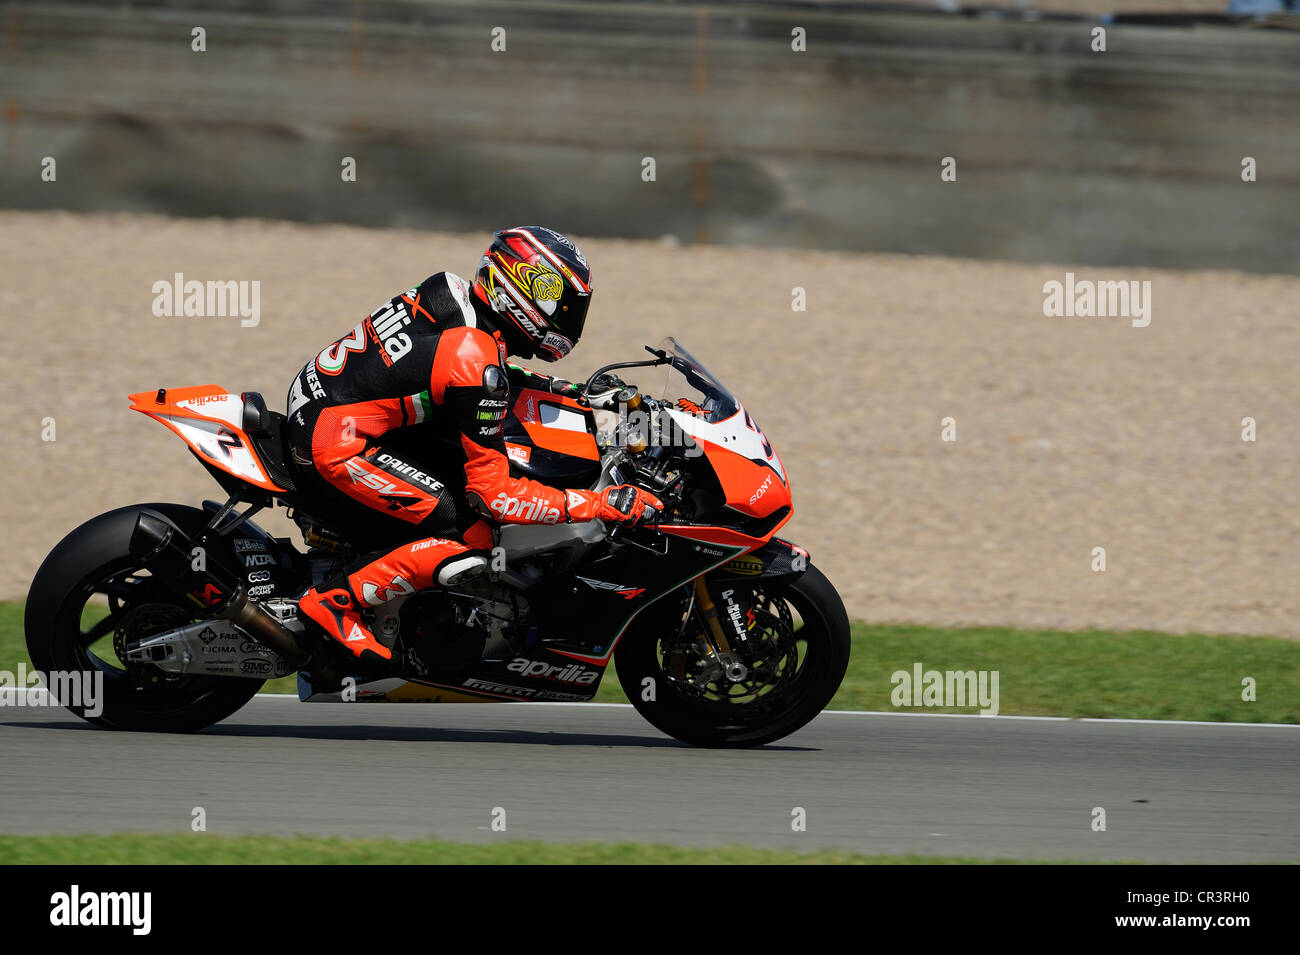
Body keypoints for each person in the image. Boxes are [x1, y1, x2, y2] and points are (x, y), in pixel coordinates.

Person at [285, 226, 662, 664]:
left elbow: (478, 372)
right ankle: (335, 603)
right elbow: (496, 496)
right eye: (564, 306)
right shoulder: (475, 363)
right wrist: (599, 505)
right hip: (335, 443)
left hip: (322, 402)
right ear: (526, 291)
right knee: (473, 534)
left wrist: (575, 392)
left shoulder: (452, 293)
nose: (569, 320)